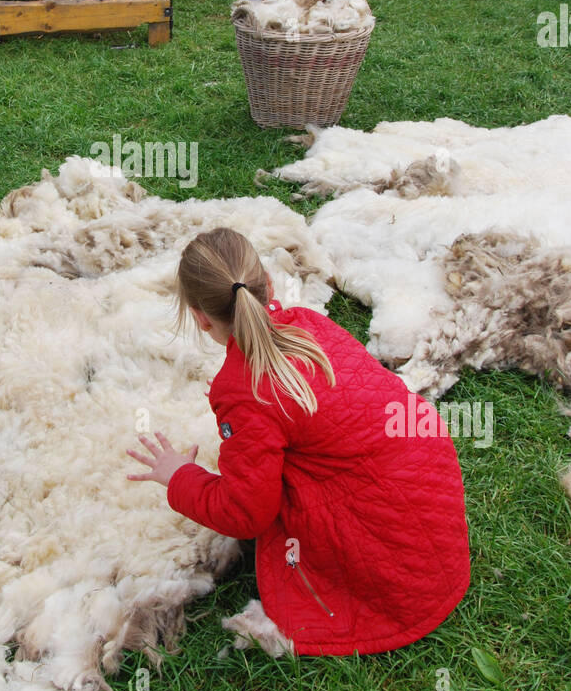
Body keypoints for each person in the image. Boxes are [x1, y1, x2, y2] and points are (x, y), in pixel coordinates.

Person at [126, 228, 470, 657]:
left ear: (199, 318)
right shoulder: (310, 325)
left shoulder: (244, 389)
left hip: (398, 572)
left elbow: (245, 511)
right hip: (430, 494)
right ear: (267, 283)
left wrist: (180, 476)